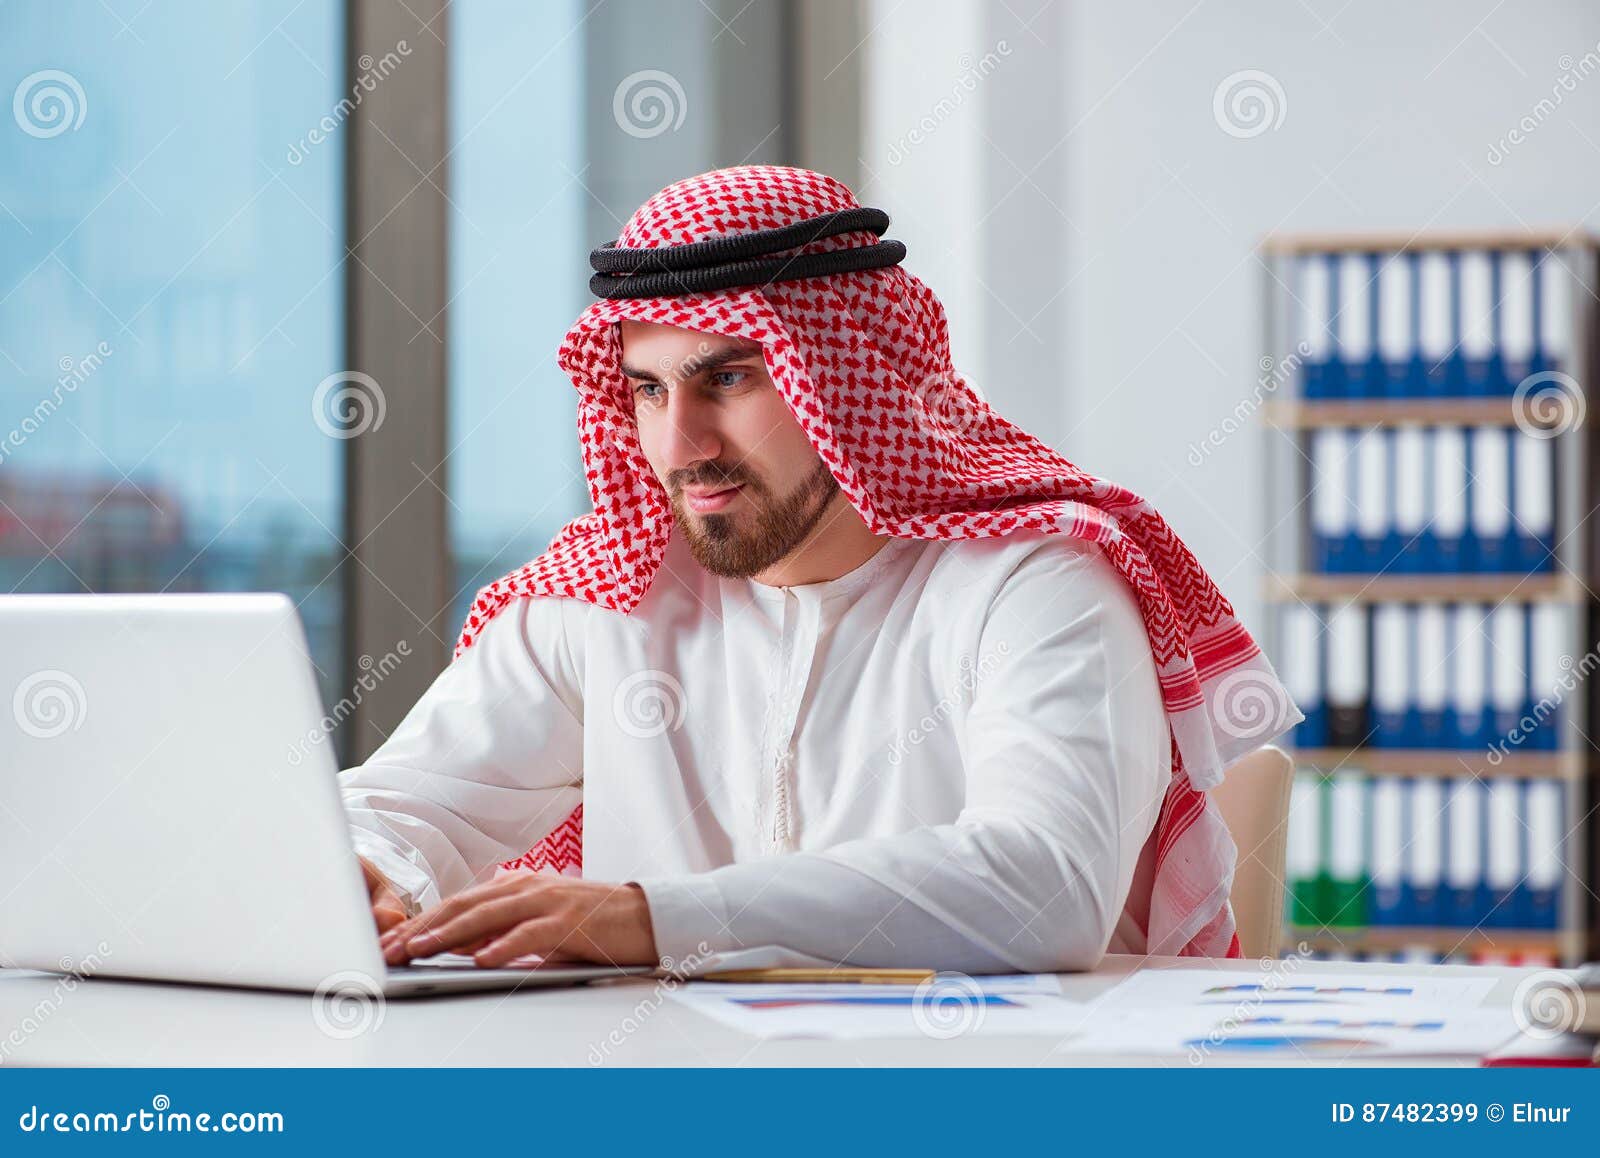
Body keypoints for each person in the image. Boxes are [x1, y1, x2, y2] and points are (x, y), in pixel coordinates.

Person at [341, 165, 1301, 975]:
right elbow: (401, 803)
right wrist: (363, 867)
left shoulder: (1033, 586)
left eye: (729, 377)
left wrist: (644, 918)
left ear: (847, 377)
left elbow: (1044, 883)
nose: (681, 443)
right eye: (646, 389)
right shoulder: (609, 599)